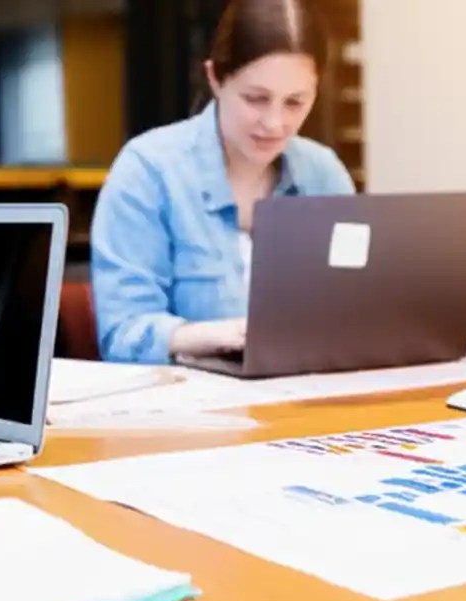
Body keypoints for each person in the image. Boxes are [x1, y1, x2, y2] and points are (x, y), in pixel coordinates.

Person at [90, 0, 356, 364]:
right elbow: (122, 335)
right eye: (256, 99)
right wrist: (213, 337)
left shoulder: (323, 174)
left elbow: (350, 307)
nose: (274, 123)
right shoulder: (149, 171)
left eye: (295, 103)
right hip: (190, 394)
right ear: (215, 78)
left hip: (307, 387)